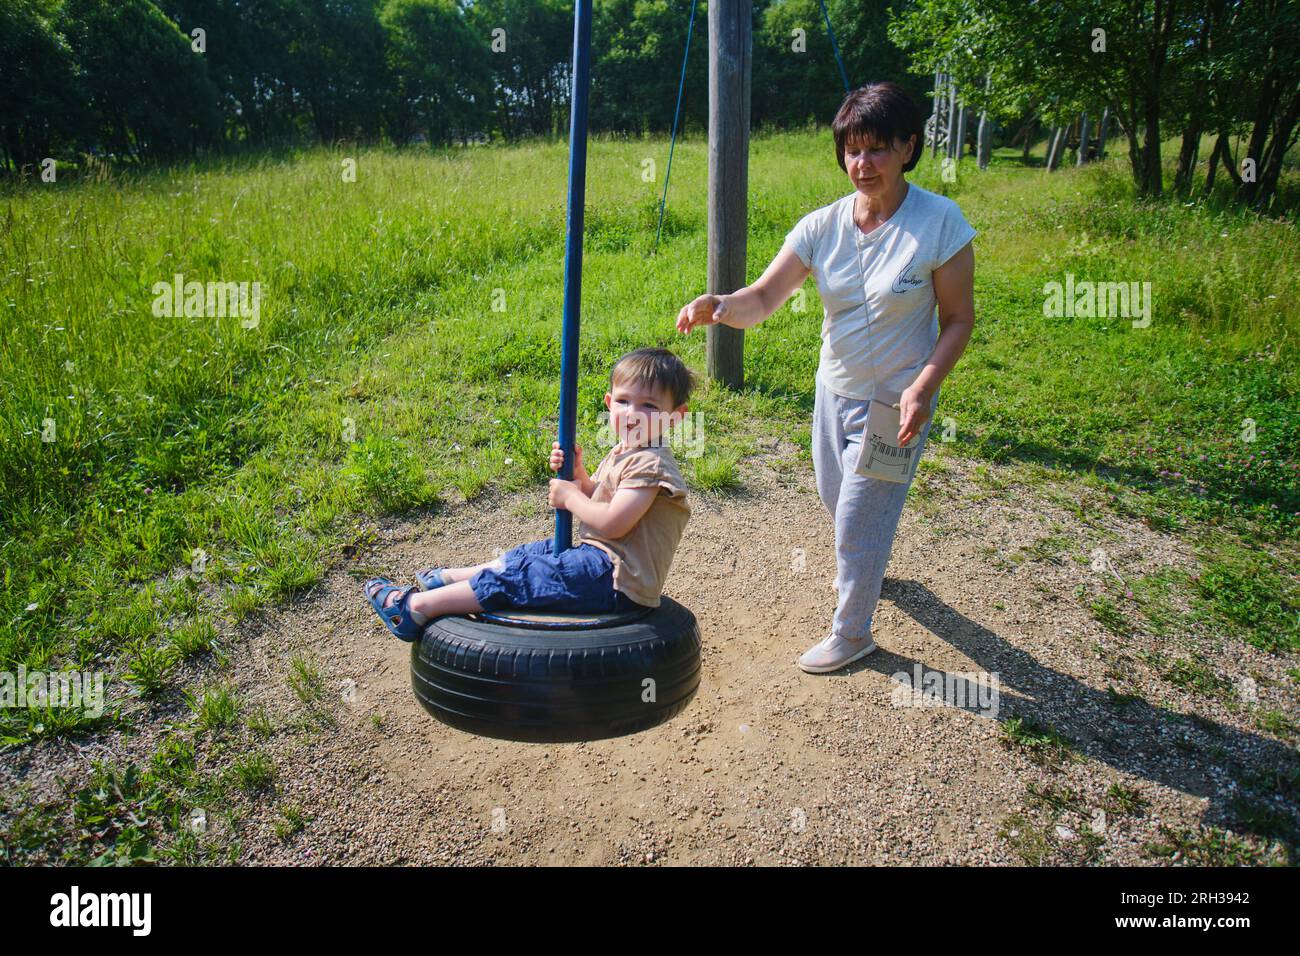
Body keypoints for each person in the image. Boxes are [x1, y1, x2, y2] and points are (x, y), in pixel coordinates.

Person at [675, 82, 977, 673]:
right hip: (833, 392)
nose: (863, 164)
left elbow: (959, 319)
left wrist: (924, 385)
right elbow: (762, 298)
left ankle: (853, 632)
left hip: (897, 402)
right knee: (840, 505)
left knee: (859, 519)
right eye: (852, 150)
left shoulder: (939, 222)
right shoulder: (822, 226)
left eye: (879, 149)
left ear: (909, 147)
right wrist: (719, 304)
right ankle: (868, 567)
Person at [364, 347, 694, 639]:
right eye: (623, 401)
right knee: (531, 553)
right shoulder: (627, 450)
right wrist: (579, 476)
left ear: (676, 416)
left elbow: (613, 523)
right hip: (599, 564)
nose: (632, 413)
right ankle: (450, 580)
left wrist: (570, 496)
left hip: (618, 583)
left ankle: (415, 608)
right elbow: (602, 498)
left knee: (524, 576)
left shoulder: (651, 464)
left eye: (648, 406)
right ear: (609, 403)